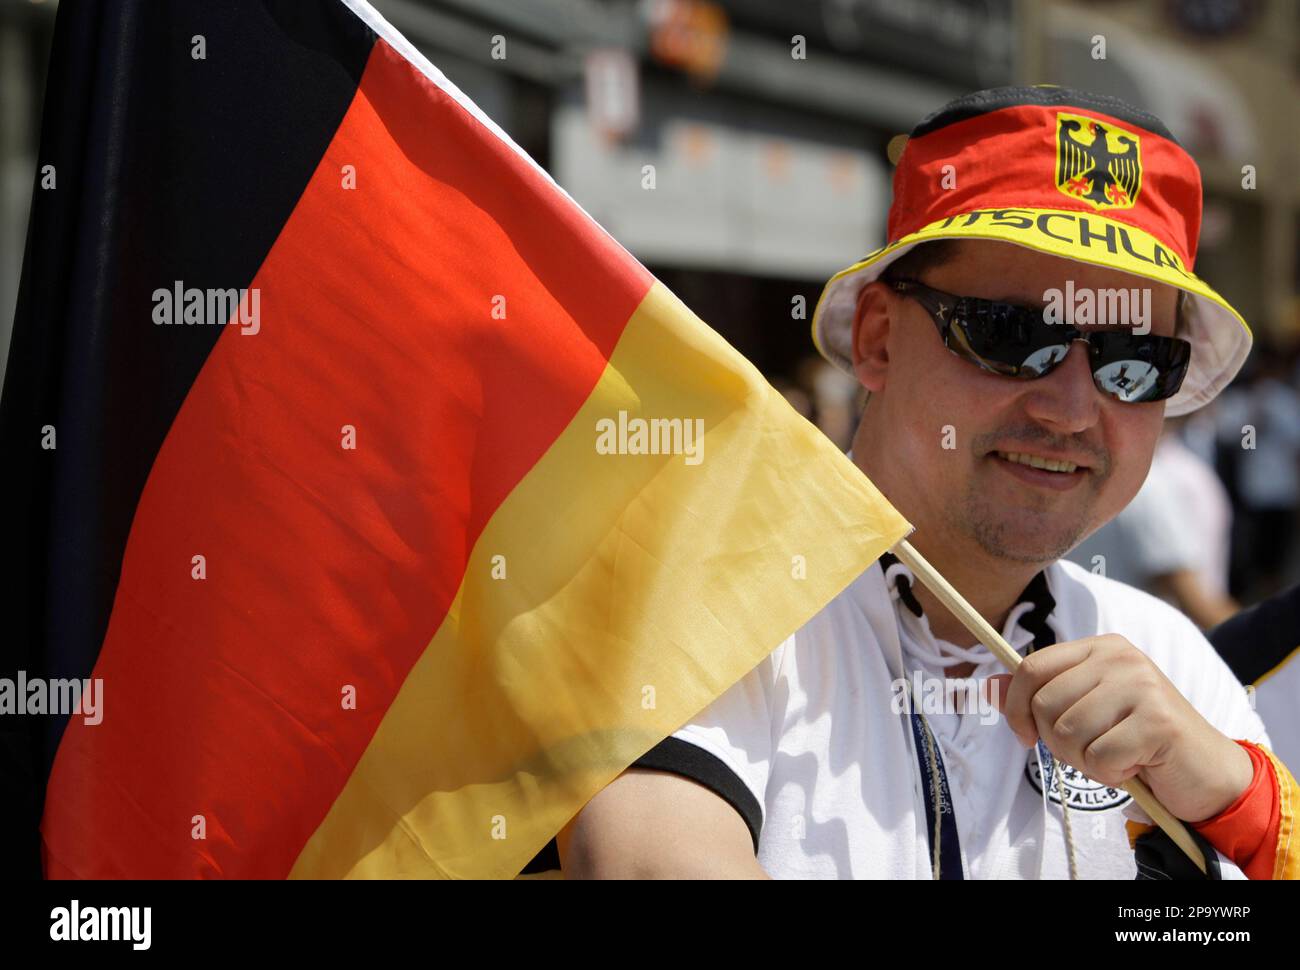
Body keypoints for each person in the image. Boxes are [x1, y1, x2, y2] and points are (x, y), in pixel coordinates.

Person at [557, 86, 1297, 879]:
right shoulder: (693, 590)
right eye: (1013, 334)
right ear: (878, 337)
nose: (1074, 408)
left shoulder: (1167, 655)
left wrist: (1241, 806)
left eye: (1135, 361)